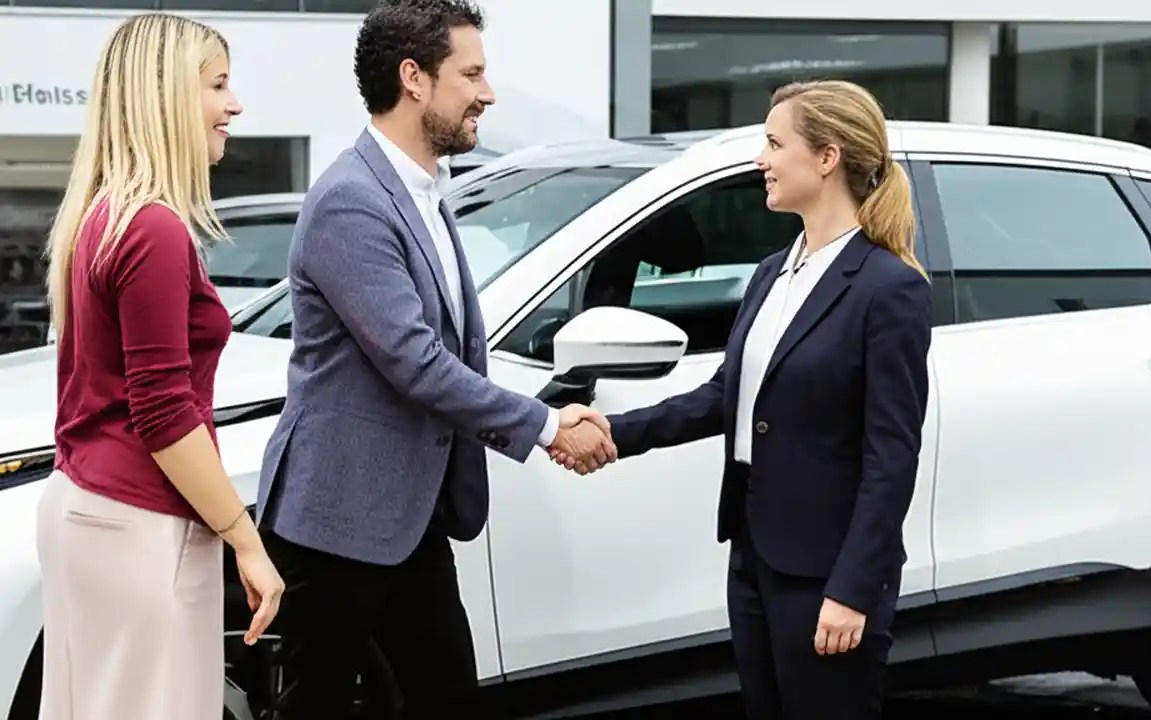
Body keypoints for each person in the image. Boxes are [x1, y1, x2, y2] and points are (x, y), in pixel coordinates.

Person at [252, 1, 614, 717]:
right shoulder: (352, 200)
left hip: (409, 517)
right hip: (338, 522)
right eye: (471, 73)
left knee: (445, 697)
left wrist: (548, 401)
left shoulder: (426, 193)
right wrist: (545, 427)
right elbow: (416, 361)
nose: (488, 92)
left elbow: (455, 351)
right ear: (413, 78)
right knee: (320, 706)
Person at [555, 79, 932, 718]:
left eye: (774, 142)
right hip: (756, 556)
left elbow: (892, 458)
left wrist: (853, 589)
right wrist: (615, 431)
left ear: (827, 157)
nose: (761, 158)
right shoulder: (771, 272)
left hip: (826, 574)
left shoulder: (887, 288)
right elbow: (725, 397)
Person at [36, 13, 285, 720]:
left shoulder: (102, 215)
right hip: (142, 526)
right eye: (217, 85)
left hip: (91, 510)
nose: (233, 104)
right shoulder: (153, 228)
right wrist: (246, 538)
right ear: (166, 96)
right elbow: (164, 413)